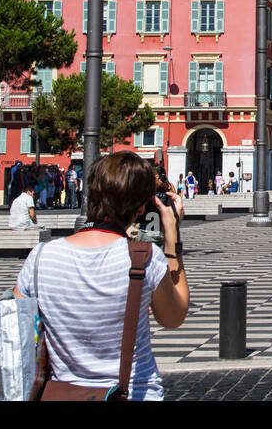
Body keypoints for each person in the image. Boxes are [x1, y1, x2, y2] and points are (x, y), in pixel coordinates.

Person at [12, 152, 188, 400]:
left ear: (90, 194)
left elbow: (17, 328)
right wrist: (172, 234)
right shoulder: (144, 258)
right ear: (141, 207)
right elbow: (173, 317)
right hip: (134, 393)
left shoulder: (41, 257)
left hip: (61, 392)